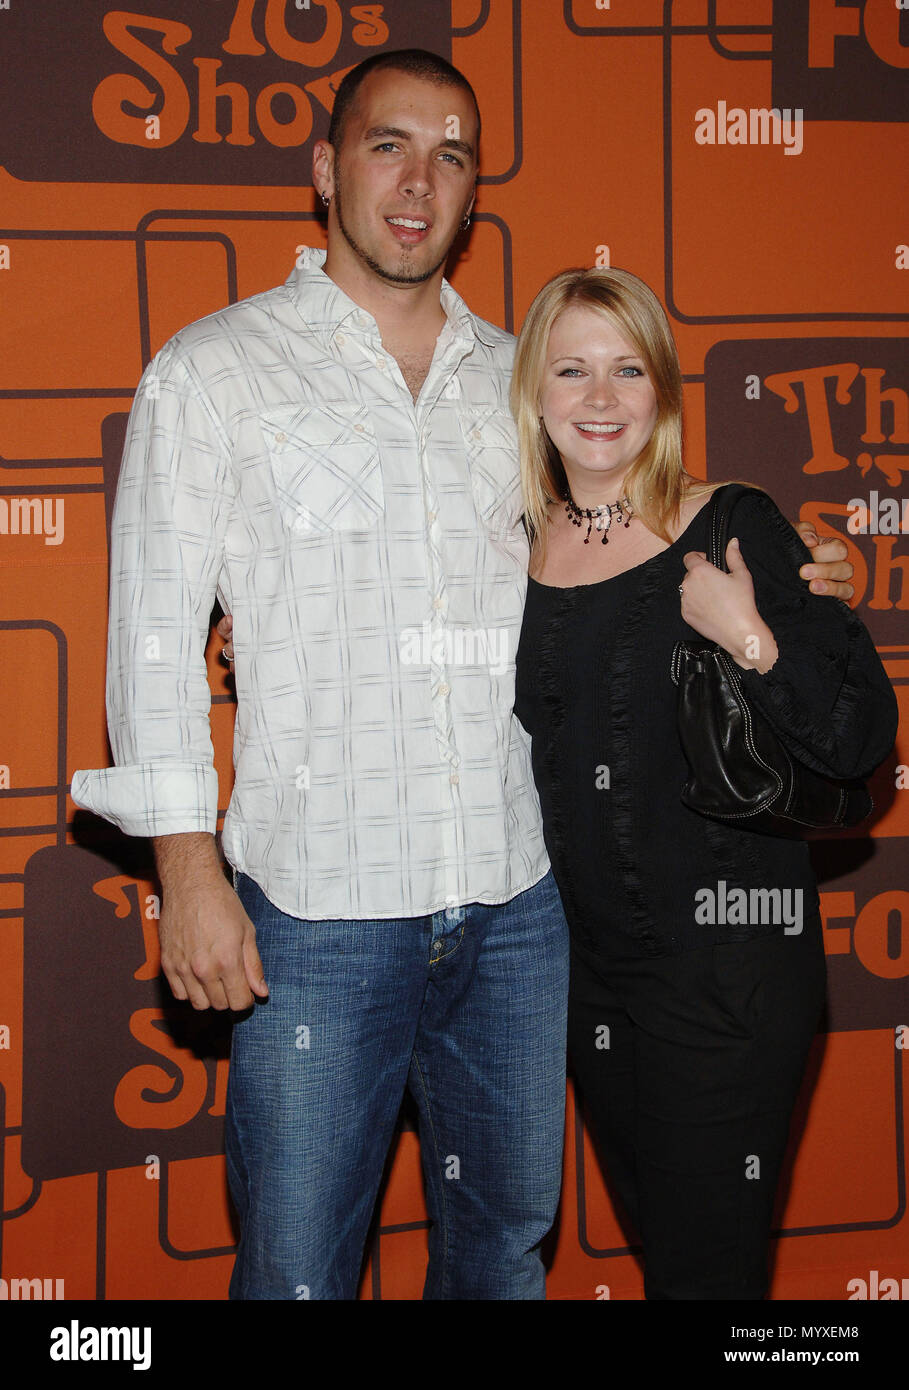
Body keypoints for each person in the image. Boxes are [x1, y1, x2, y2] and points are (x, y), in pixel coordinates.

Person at [72, 50, 856, 1302]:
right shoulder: (213, 374)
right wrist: (184, 869)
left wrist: (792, 554)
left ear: (474, 192)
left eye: (452, 154)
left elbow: (632, 515)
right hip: (317, 911)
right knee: (297, 1270)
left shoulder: (522, 382)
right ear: (327, 168)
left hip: (517, 906)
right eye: (389, 145)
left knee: (501, 1254)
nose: (418, 180)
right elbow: (153, 640)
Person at [509, 266, 897, 1300]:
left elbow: (863, 736)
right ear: (533, 394)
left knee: (707, 1278)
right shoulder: (507, 550)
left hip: (726, 969)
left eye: (628, 369)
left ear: (665, 391)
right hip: (587, 980)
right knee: (681, 1260)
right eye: (573, 369)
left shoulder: (731, 524)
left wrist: (753, 637)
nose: (600, 398)